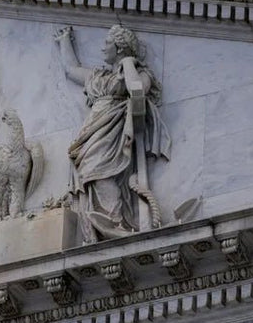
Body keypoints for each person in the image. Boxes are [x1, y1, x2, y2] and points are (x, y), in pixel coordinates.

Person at [54, 24, 170, 243]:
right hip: (92, 131)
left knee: (100, 174)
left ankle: (113, 223)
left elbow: (136, 90)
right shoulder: (98, 76)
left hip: (112, 134)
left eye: (107, 43)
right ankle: (100, 226)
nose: (102, 48)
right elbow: (70, 69)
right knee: (90, 174)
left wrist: (128, 62)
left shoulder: (139, 74)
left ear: (119, 48)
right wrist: (64, 41)